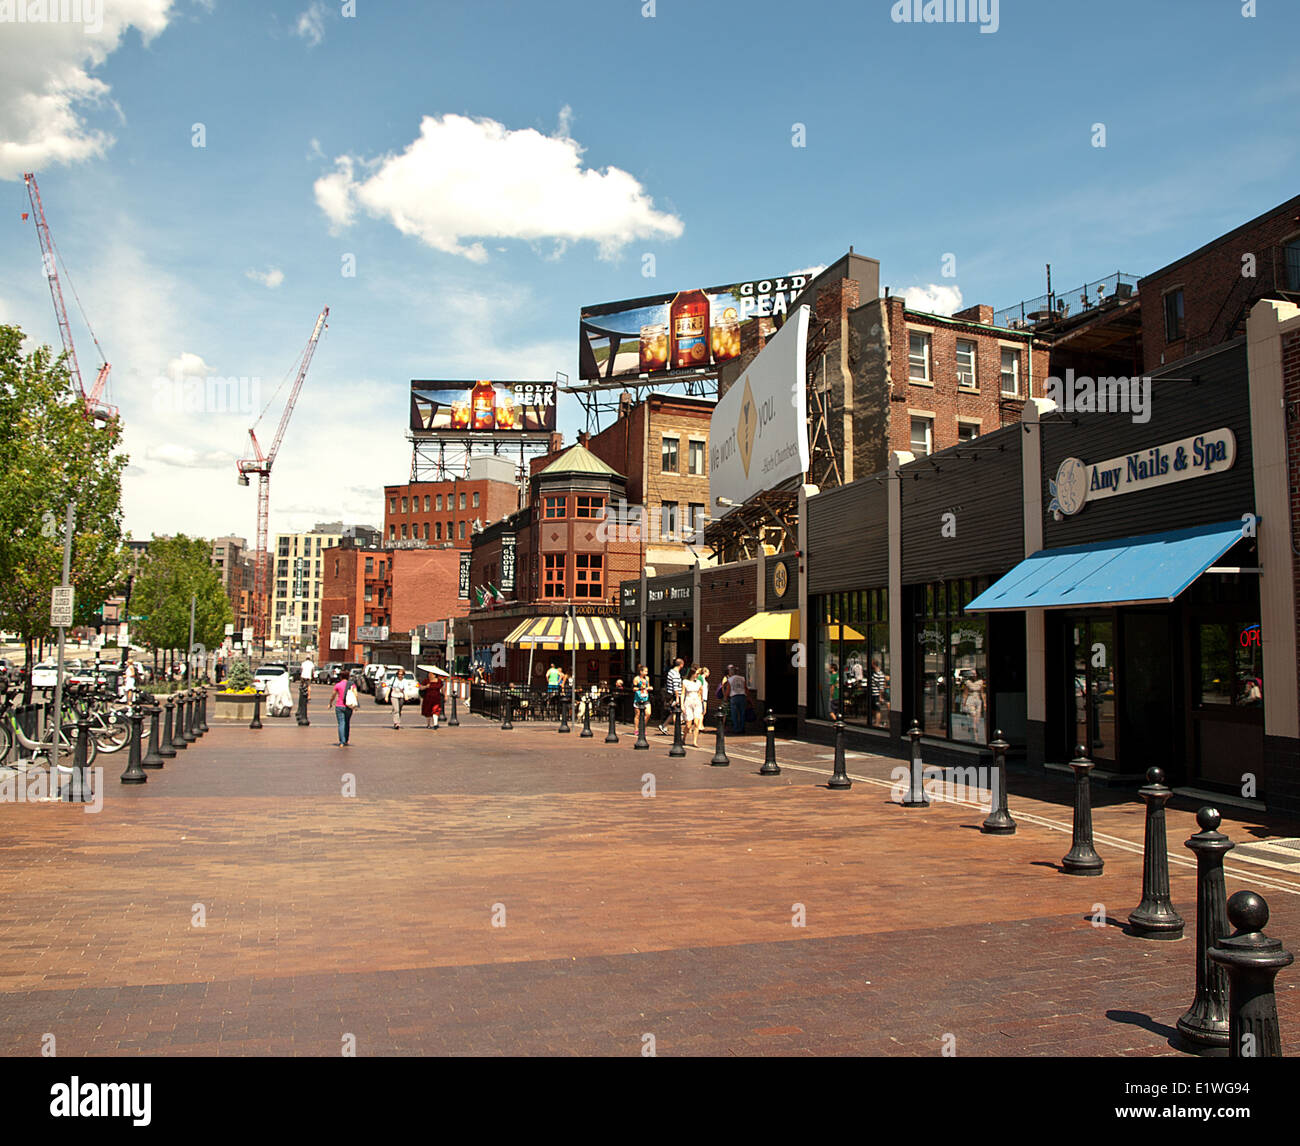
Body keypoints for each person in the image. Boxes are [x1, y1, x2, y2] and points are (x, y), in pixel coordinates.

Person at [681, 665, 704, 747]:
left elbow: (701, 691)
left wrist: (700, 699)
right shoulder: (685, 682)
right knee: (688, 724)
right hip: (688, 702)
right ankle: (684, 738)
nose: (698, 676)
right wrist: (682, 705)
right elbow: (683, 693)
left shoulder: (699, 682)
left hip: (697, 703)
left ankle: (695, 741)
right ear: (692, 673)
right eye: (696, 674)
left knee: (697, 723)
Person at [660, 657, 684, 735]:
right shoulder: (675, 674)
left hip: (671, 694)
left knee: (673, 712)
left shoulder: (671, 671)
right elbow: (675, 686)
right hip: (674, 696)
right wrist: (677, 698)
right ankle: (677, 729)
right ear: (681, 665)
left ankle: (664, 725)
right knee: (676, 712)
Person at [724, 665, 748, 734]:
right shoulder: (742, 678)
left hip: (734, 697)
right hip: (742, 696)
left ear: (731, 672)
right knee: (742, 713)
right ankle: (742, 728)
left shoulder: (730, 679)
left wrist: (725, 698)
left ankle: (736, 728)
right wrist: (748, 698)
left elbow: (728, 689)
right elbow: (745, 688)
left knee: (734, 714)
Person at [332, 671, 352, 747]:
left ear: (340, 677)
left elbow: (333, 695)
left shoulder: (338, 685)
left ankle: (341, 742)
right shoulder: (351, 685)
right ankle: (346, 740)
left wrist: (330, 703)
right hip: (349, 705)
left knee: (341, 723)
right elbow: (355, 694)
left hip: (339, 705)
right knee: (347, 722)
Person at [633, 665, 652, 730]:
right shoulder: (636, 679)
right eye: (645, 671)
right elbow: (634, 688)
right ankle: (636, 729)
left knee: (648, 713)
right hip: (638, 698)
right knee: (637, 714)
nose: (646, 673)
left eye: (647, 671)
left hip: (646, 697)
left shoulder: (647, 678)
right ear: (641, 672)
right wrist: (640, 688)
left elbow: (648, 686)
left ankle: (643, 727)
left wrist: (649, 688)